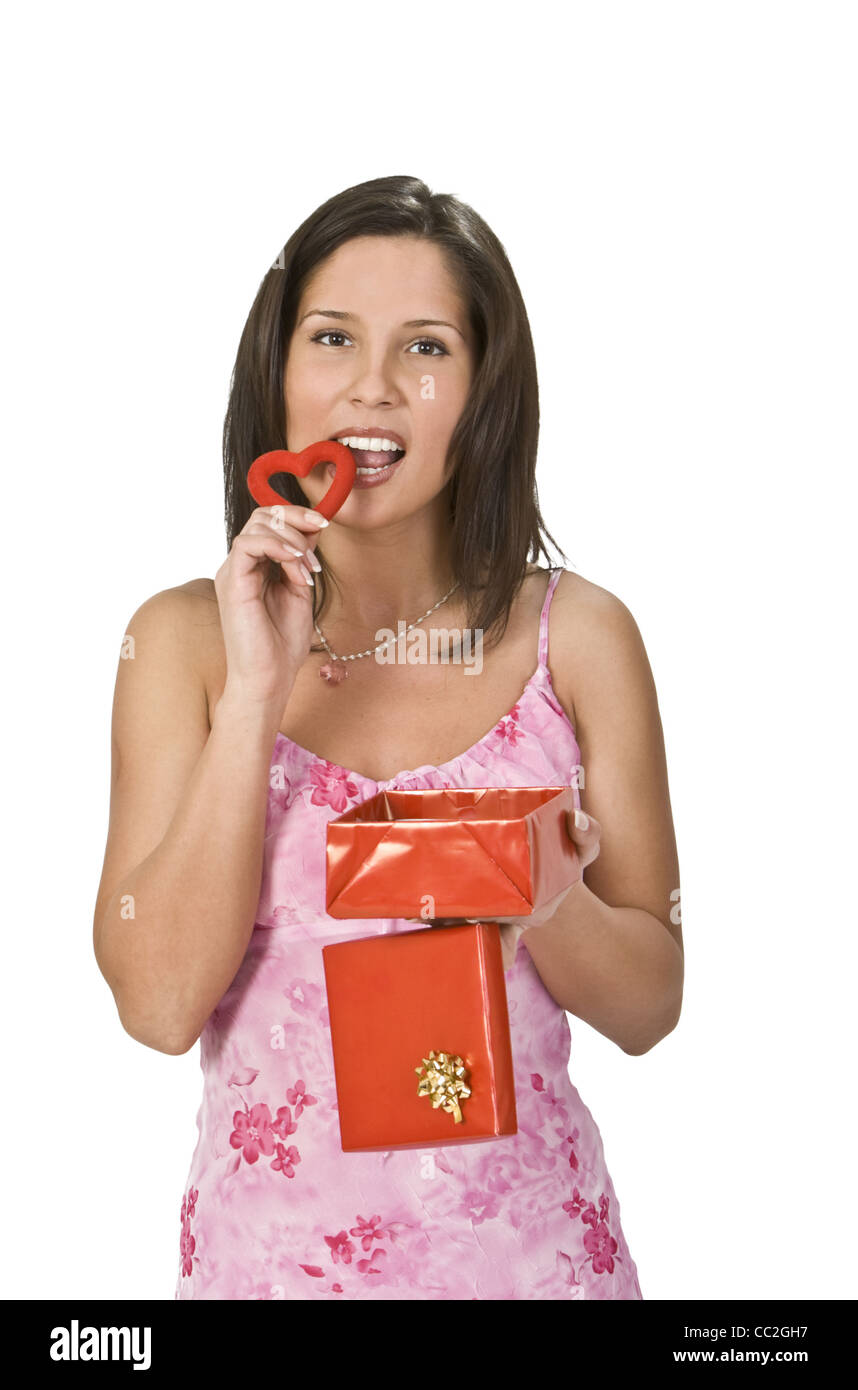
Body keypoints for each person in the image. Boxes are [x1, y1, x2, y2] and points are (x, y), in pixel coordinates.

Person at [92, 175, 682, 1300]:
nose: (372, 386)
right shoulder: (179, 643)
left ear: (486, 390)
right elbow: (158, 1007)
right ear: (275, 372)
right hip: (270, 1278)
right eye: (331, 338)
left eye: (426, 348)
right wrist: (256, 693)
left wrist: (540, 891)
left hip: (538, 1274)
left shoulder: (580, 637)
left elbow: (653, 1006)